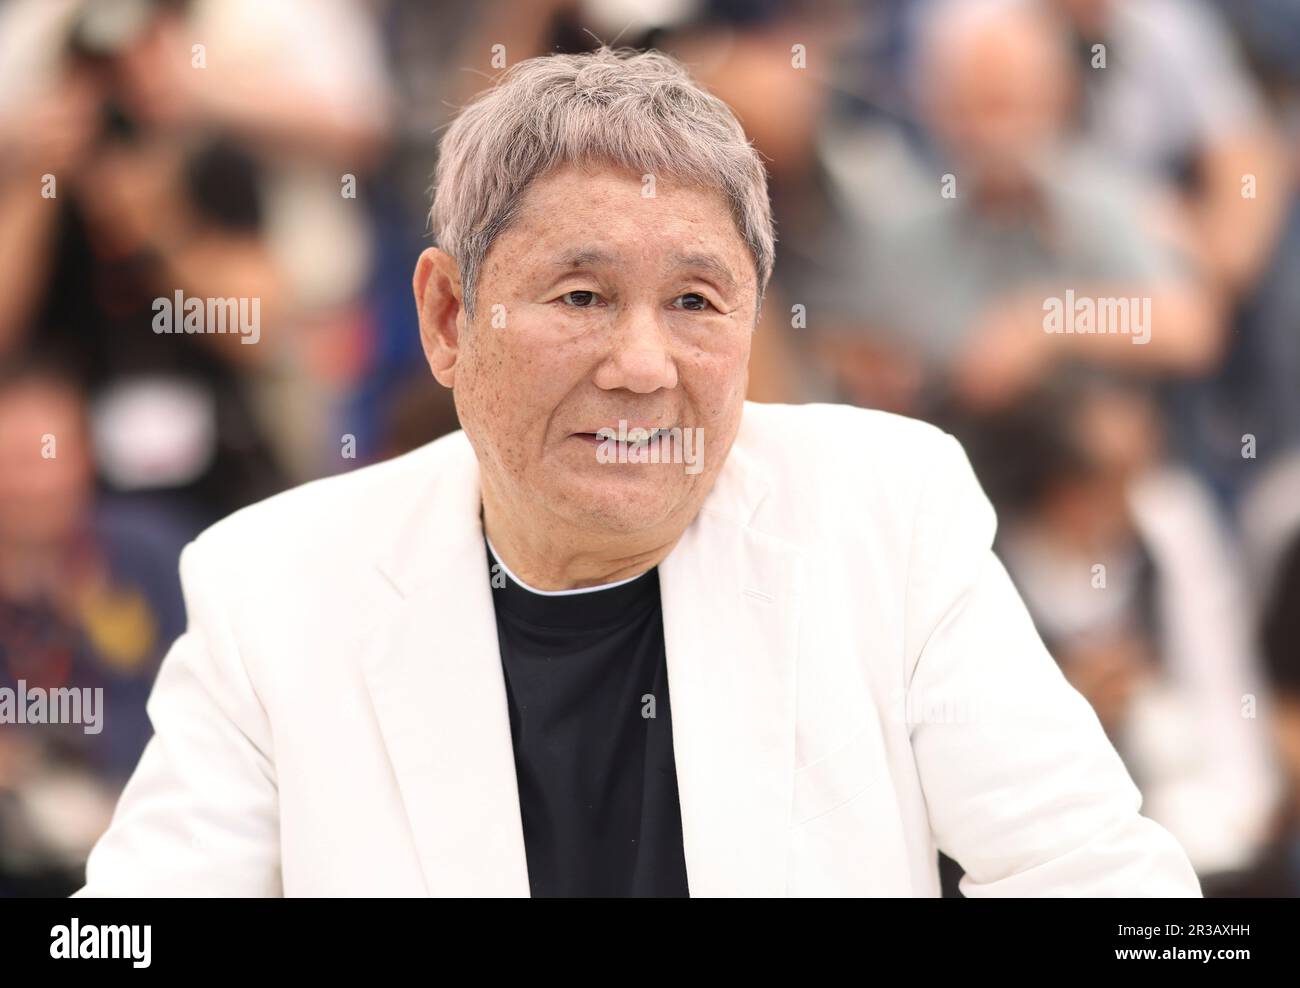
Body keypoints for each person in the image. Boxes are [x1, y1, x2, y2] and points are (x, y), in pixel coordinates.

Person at [76, 47, 1200, 897]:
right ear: (447, 315)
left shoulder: (881, 514)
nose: (644, 366)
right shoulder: (278, 586)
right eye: (581, 296)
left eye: (697, 304)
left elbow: (1101, 875)